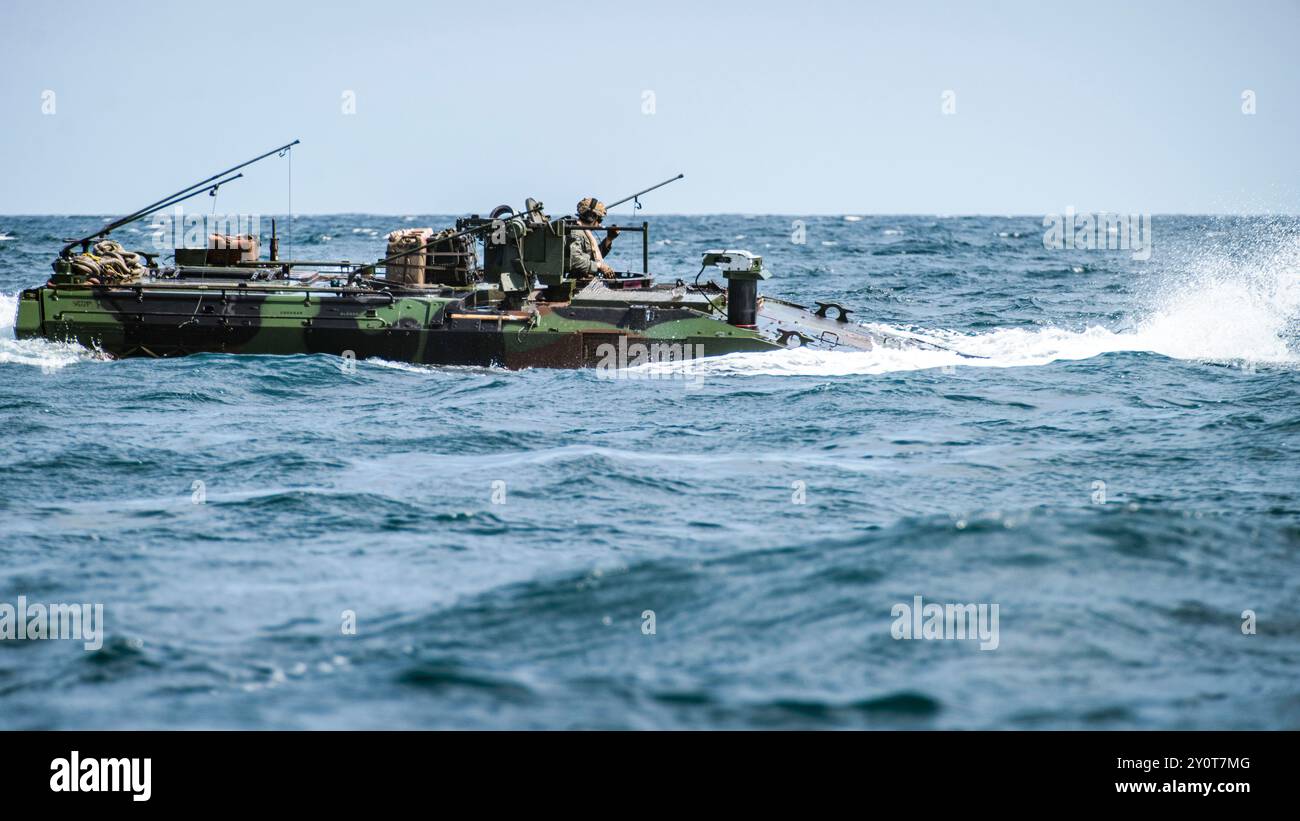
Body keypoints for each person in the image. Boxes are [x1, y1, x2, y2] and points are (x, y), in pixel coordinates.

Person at [567, 197, 620, 279]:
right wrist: (599, 266)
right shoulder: (576, 233)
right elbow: (575, 260)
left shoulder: (584, 231)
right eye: (599, 220)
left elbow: (592, 257)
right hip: (577, 280)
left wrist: (609, 239)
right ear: (591, 217)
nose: (599, 224)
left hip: (585, 278)